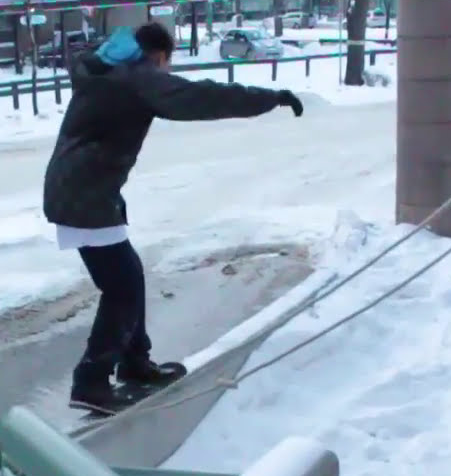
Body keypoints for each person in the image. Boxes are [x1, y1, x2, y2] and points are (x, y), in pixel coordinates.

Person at [43, 22, 305, 414]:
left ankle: (134, 363)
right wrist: (271, 98)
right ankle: (91, 381)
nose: (167, 70)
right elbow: (202, 97)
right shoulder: (137, 79)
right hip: (86, 196)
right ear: (159, 55)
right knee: (123, 288)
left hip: (79, 191)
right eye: (168, 62)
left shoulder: (109, 74)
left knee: (128, 277)